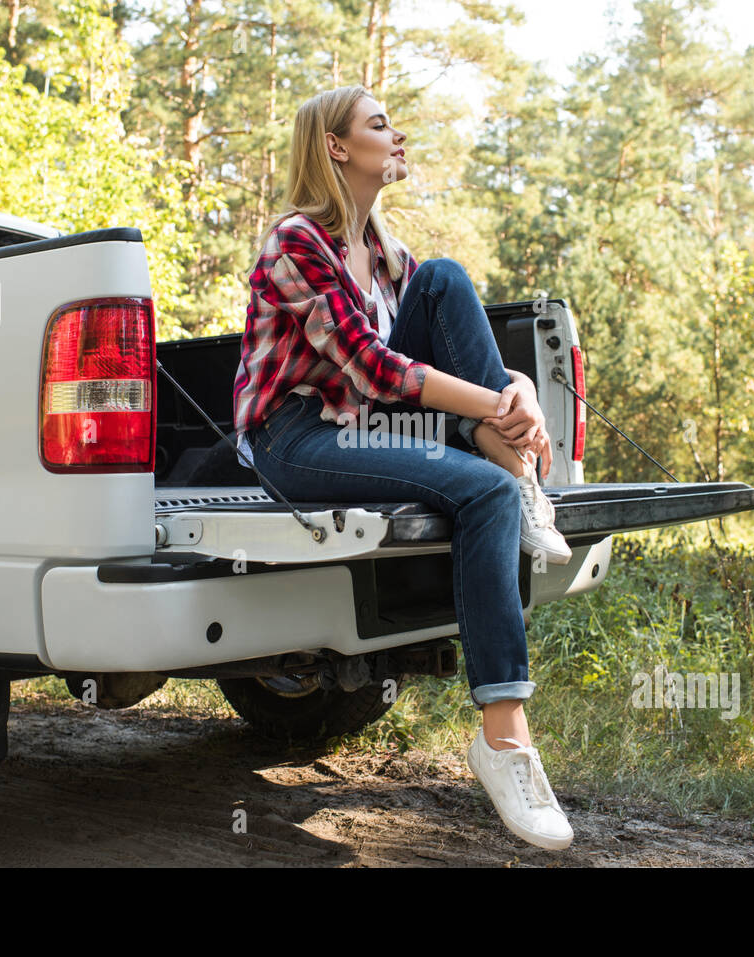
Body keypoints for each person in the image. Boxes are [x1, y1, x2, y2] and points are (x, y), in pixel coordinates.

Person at [231, 84, 575, 850]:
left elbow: (434, 359)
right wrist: (495, 405)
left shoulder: (390, 256)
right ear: (335, 147)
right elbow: (376, 367)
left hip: (365, 421)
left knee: (449, 278)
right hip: (295, 435)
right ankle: (506, 738)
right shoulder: (295, 242)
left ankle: (516, 467)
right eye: (379, 124)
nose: (398, 134)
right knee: (482, 489)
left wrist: (518, 392)